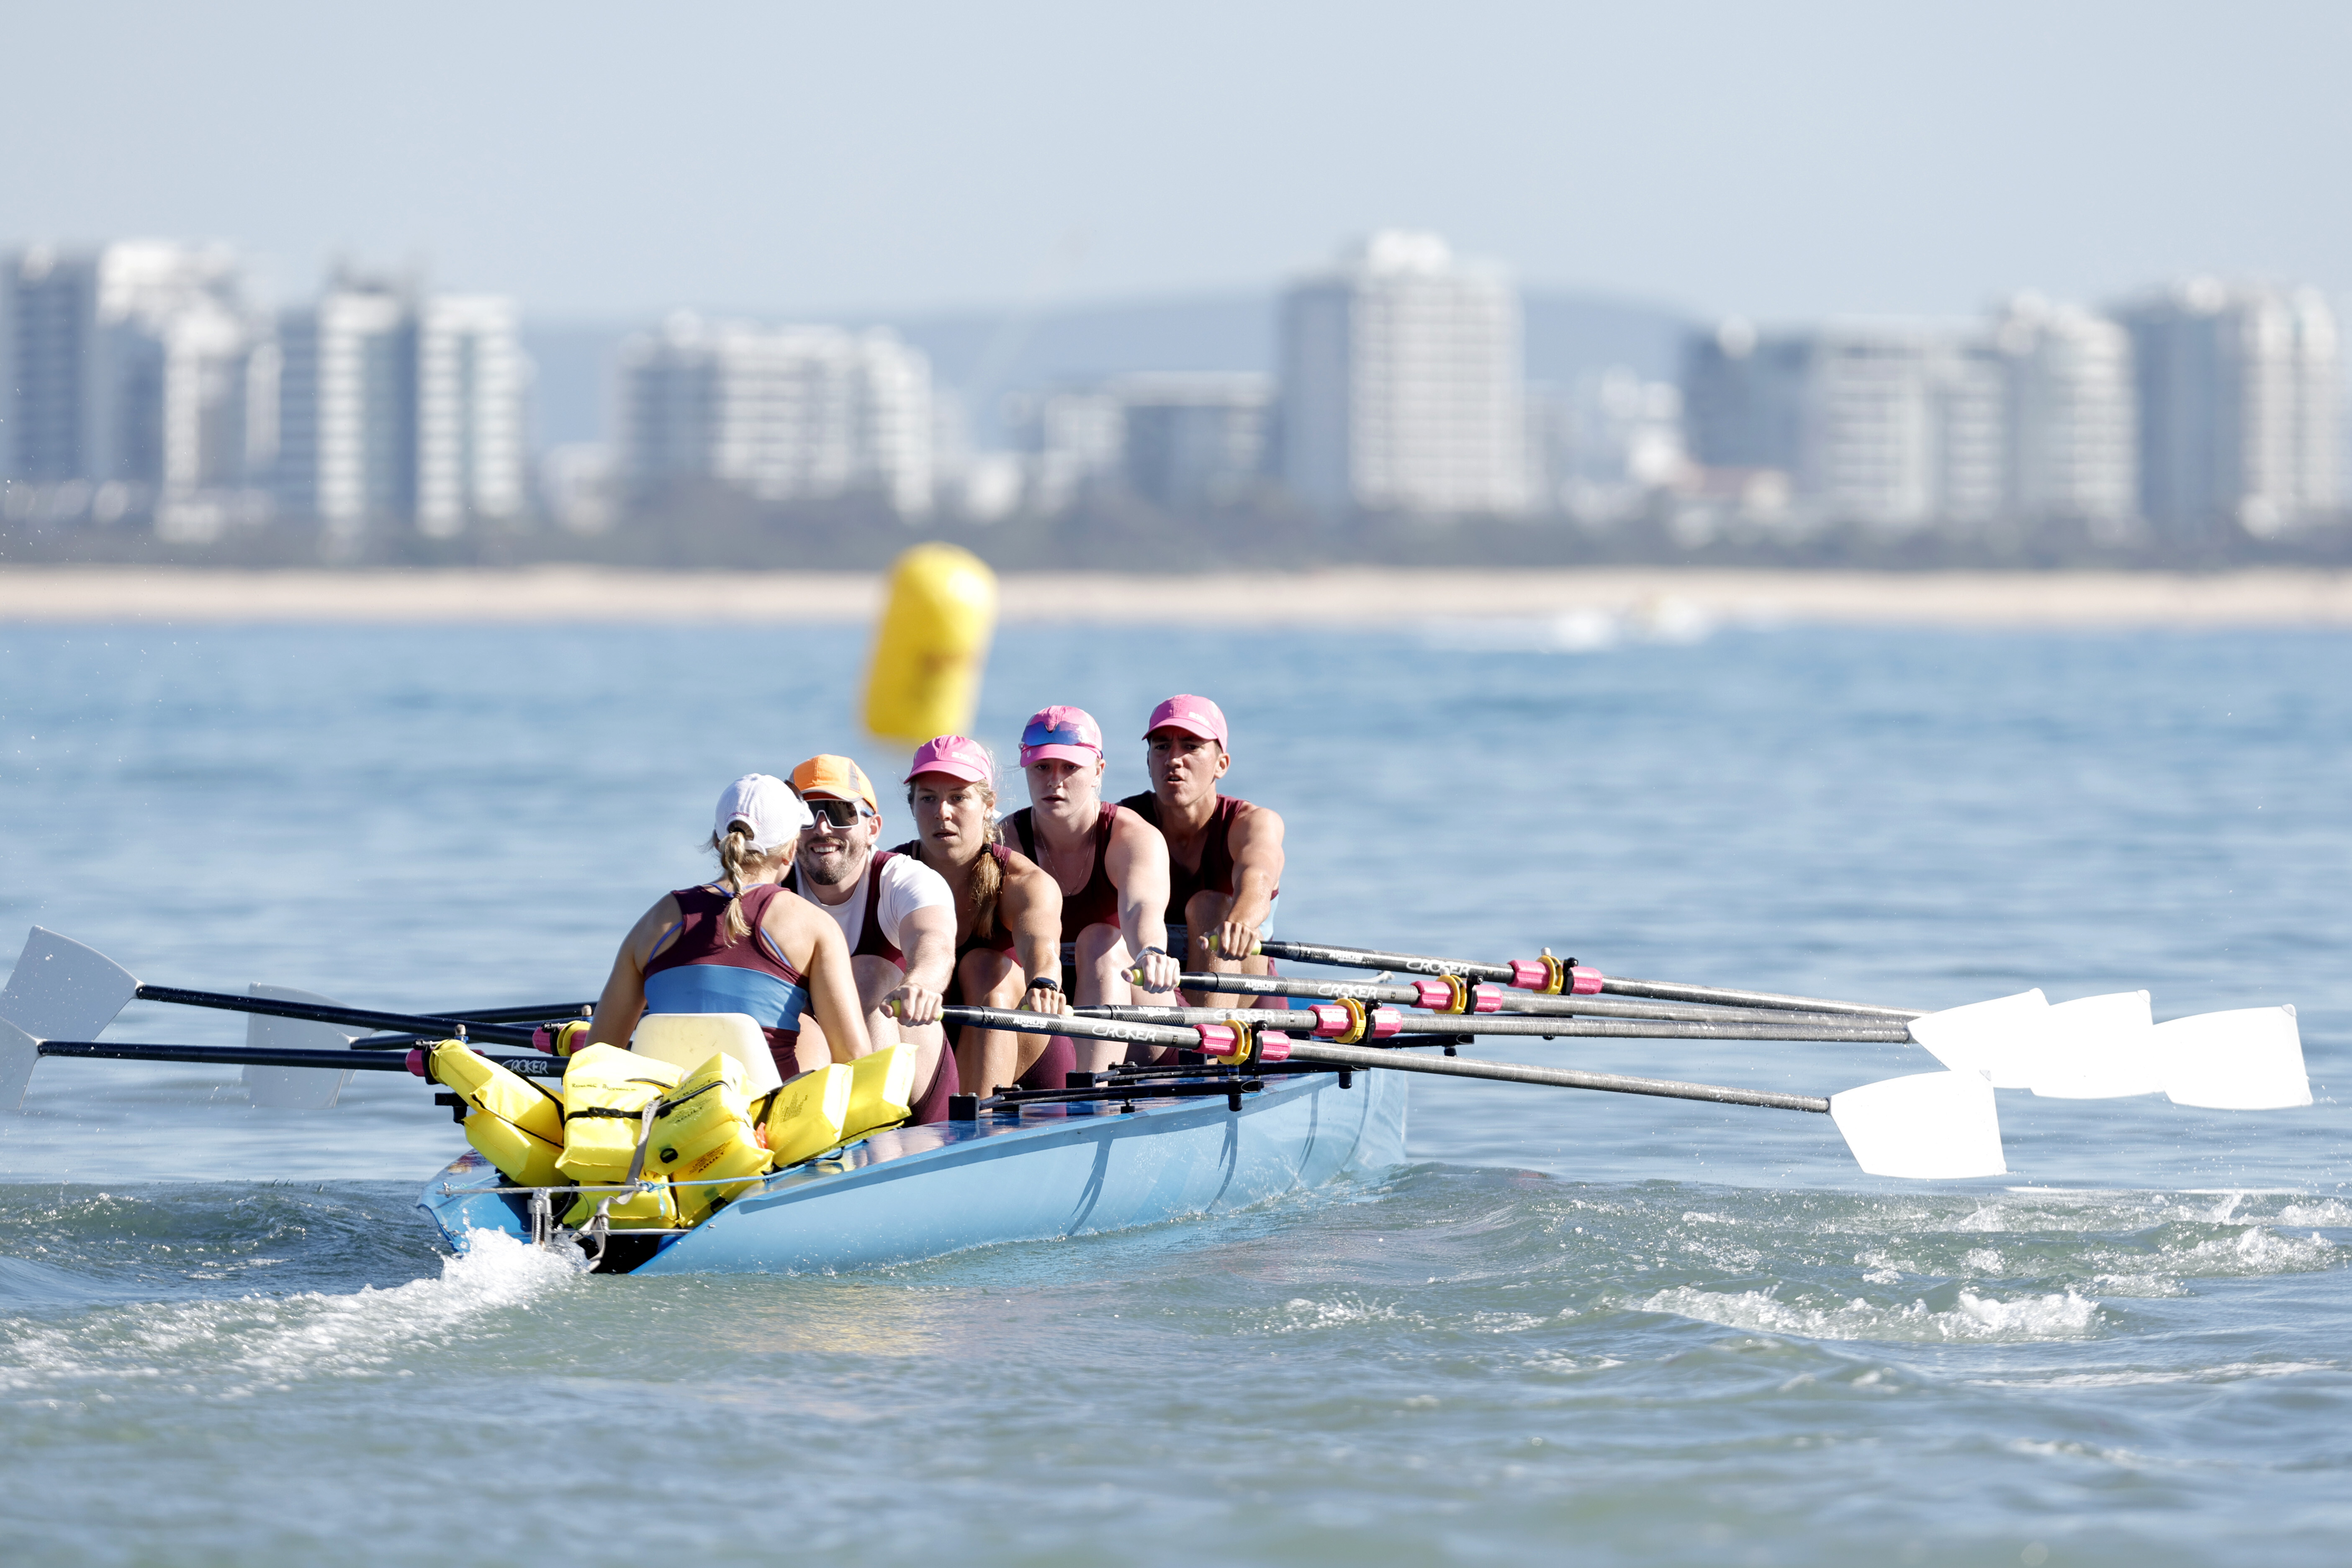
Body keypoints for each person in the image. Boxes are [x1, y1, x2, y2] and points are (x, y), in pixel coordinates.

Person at [588, 774, 871, 1081]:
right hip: (766, 1108)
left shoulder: (656, 920)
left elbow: (597, 1057)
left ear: (717, 841)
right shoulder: (815, 926)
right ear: (791, 850)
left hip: (664, 1106)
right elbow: (855, 1059)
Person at [780, 754, 961, 1123]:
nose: (822, 828)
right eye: (806, 814)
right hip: (816, 1092)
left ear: (873, 827)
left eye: (840, 813)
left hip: (916, 1096)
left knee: (865, 975)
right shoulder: (772, 890)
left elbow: (934, 941)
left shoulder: (906, 880)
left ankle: (870, 1133)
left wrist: (921, 984)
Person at [1001, 705, 1182, 1072]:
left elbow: (1141, 910)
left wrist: (1151, 950)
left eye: (1070, 768)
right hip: (1050, 1011)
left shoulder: (1132, 838)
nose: (1054, 781)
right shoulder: (1005, 842)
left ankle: (1091, 1094)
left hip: (1142, 1022)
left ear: (1098, 771)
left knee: (1099, 940)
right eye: (1042, 767)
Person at [894, 735, 1072, 1097]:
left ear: (988, 805)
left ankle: (975, 1121)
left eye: (958, 798)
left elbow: (1041, 946)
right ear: (912, 806)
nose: (942, 812)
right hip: (932, 1056)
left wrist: (1044, 984)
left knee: (983, 966)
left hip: (1028, 1063)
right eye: (928, 798)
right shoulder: (890, 876)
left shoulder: (1023, 881)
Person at [1117, 694, 1285, 1010]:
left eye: (1191, 747)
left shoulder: (1253, 823)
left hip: (1247, 998)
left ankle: (1208, 1035)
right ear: (1148, 762)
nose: (1174, 759)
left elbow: (1259, 878)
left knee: (1210, 906)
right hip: (1155, 989)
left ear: (1221, 765)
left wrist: (1240, 923)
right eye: (1161, 747)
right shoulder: (1123, 824)